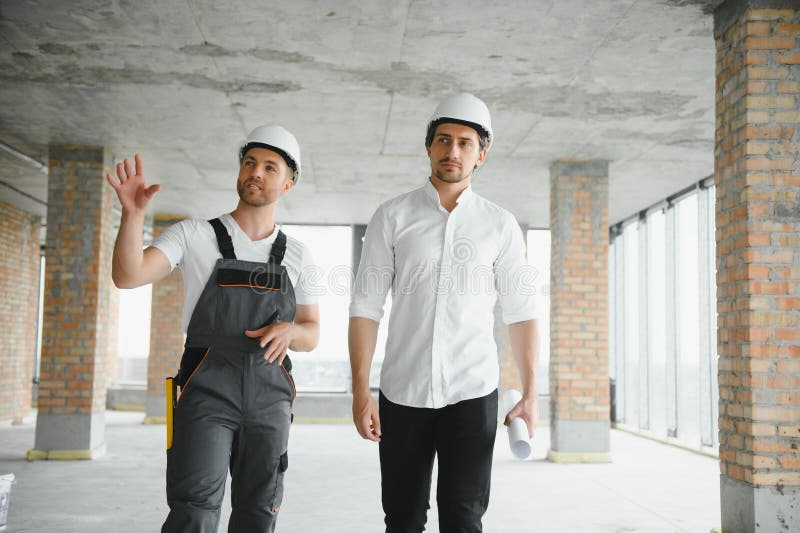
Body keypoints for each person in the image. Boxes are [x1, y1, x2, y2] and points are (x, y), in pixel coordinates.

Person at [106, 125, 320, 533]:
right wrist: (133, 216)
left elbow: (312, 332)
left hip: (270, 398)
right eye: (249, 163)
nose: (255, 172)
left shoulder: (298, 254)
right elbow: (127, 275)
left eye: (270, 167)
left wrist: (291, 332)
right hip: (207, 393)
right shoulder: (195, 235)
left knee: (259, 512)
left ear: (288, 183)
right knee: (194, 510)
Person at [348, 93, 539, 532]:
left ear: (481, 154)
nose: (453, 151)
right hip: (403, 392)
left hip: (472, 393)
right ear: (429, 146)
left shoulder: (500, 225)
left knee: (464, 518)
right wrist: (361, 390)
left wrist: (530, 392)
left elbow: (521, 312)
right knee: (402, 519)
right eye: (444, 140)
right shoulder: (392, 216)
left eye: (465, 143)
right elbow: (365, 307)